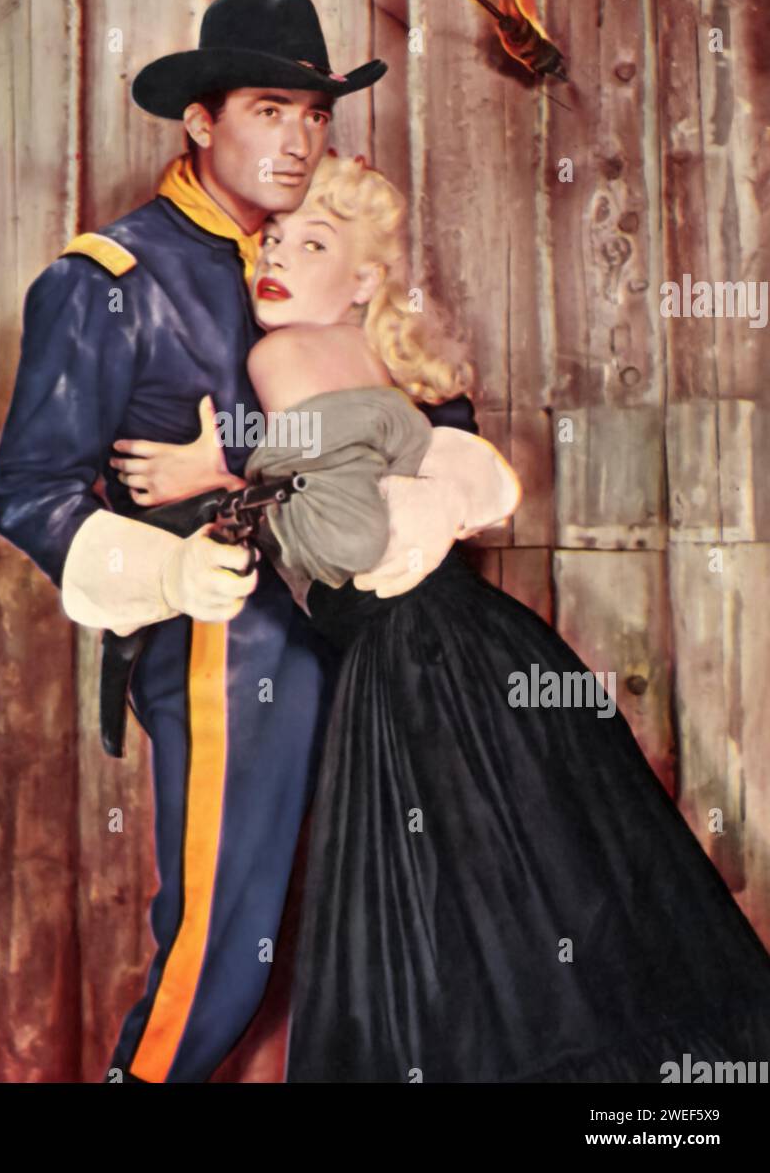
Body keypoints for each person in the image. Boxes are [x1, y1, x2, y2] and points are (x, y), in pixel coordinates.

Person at [0, 0, 518, 1084]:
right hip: (234, 645)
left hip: (380, 635)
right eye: (271, 109)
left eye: (313, 115)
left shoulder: (328, 234)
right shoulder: (107, 283)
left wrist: (441, 484)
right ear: (200, 119)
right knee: (226, 938)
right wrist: (169, 565)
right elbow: (29, 490)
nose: (297, 139)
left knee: (383, 918)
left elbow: (414, 398)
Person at [240, 153, 770, 1083]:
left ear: (364, 279)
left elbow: (352, 546)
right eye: (269, 239)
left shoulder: (279, 357)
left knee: (446, 924)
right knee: (555, 896)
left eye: (312, 242)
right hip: (490, 643)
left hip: (409, 666)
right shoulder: (403, 375)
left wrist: (226, 475)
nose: (274, 257)